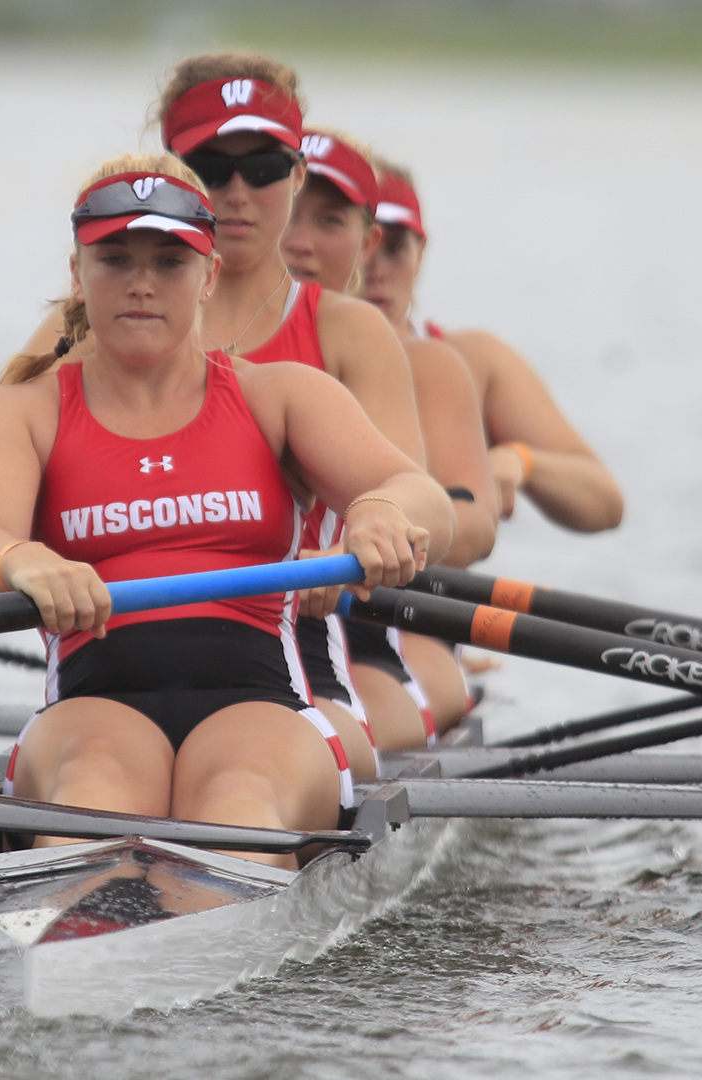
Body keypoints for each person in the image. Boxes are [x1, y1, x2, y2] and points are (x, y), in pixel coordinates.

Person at [0, 53, 424, 781]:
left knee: (255, 778)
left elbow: (422, 503)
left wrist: (370, 522)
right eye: (213, 168)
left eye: (263, 167)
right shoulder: (79, 344)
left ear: (296, 172)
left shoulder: (311, 365)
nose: (239, 191)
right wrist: (21, 547)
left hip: (300, 638)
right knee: (94, 775)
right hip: (101, 656)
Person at [281, 128, 495, 748]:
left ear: (365, 241)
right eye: (291, 213)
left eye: (327, 220)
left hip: (367, 627)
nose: (299, 241)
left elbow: (468, 528)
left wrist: (375, 531)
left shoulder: (420, 361)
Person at [363, 161, 624, 534]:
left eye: (395, 249)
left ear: (420, 253)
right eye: (364, 247)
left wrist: (523, 461)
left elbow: (605, 504)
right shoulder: (296, 350)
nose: (377, 270)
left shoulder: (472, 359)